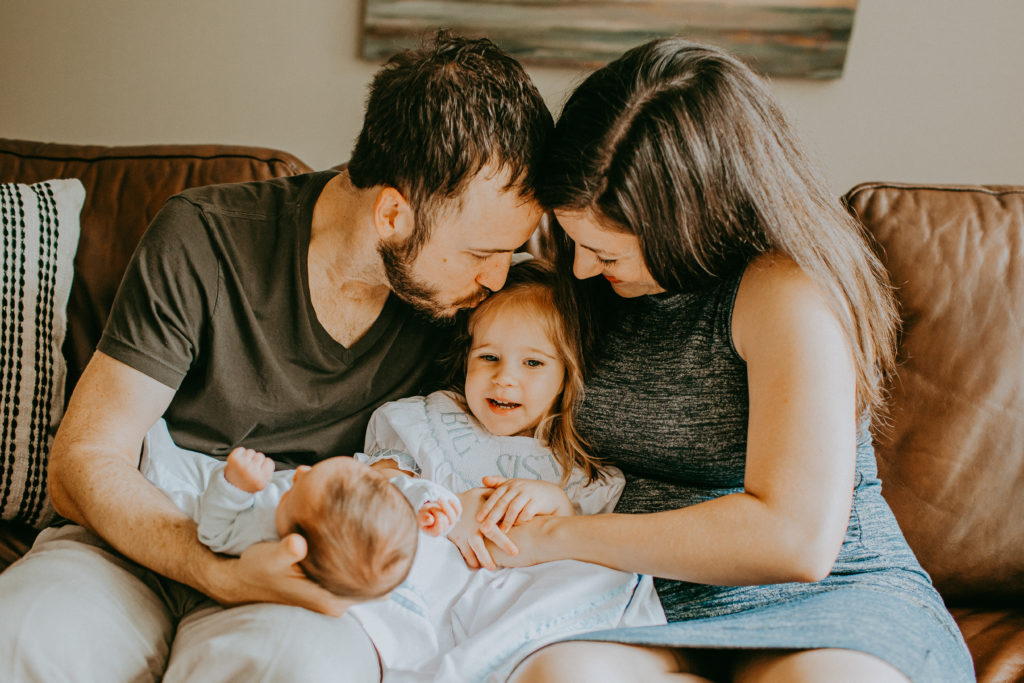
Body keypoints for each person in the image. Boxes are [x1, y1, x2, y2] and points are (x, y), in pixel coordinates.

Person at [0, 32, 551, 682]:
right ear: (393, 214)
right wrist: (209, 564)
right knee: (23, 634)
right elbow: (83, 458)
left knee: (301, 668)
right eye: (482, 253)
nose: (496, 280)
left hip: (311, 560)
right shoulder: (204, 236)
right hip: (138, 531)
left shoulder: (462, 309)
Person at [477, 39, 975, 683]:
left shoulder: (785, 289)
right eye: (575, 241)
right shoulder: (578, 287)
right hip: (641, 599)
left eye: (607, 253)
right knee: (564, 677)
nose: (580, 269)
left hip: (830, 602)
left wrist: (560, 535)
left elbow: (792, 539)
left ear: (693, 219)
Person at [352, 259, 665, 682]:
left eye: (533, 363)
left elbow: (592, 552)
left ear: (567, 375)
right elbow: (373, 489)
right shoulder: (427, 420)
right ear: (466, 357)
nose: (504, 378)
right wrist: (437, 505)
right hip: (438, 589)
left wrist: (557, 504)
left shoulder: (579, 468)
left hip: (522, 610)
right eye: (489, 357)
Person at [139, 421, 460, 600]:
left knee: (156, 463)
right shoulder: (332, 511)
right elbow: (388, 492)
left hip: (191, 498)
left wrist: (234, 485)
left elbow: (214, 531)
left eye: (298, 488)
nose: (300, 472)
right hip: (222, 474)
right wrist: (427, 501)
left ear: (289, 535)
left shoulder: (262, 534)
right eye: (314, 470)